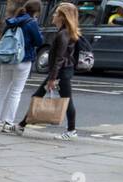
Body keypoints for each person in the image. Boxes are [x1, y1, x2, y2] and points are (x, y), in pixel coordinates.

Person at [19, 1, 79, 138]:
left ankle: (71, 131)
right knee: (38, 95)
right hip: (60, 72)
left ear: (63, 17)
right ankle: (21, 125)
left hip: (61, 73)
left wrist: (53, 78)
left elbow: (59, 58)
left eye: (56, 13)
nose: (53, 15)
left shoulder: (63, 34)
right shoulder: (64, 32)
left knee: (66, 100)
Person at [0, 0, 44, 132]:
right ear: (36, 12)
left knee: (1, 90)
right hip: (23, 60)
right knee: (16, 92)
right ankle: (7, 123)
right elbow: (39, 41)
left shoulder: (12, 21)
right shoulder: (32, 23)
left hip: (7, 58)